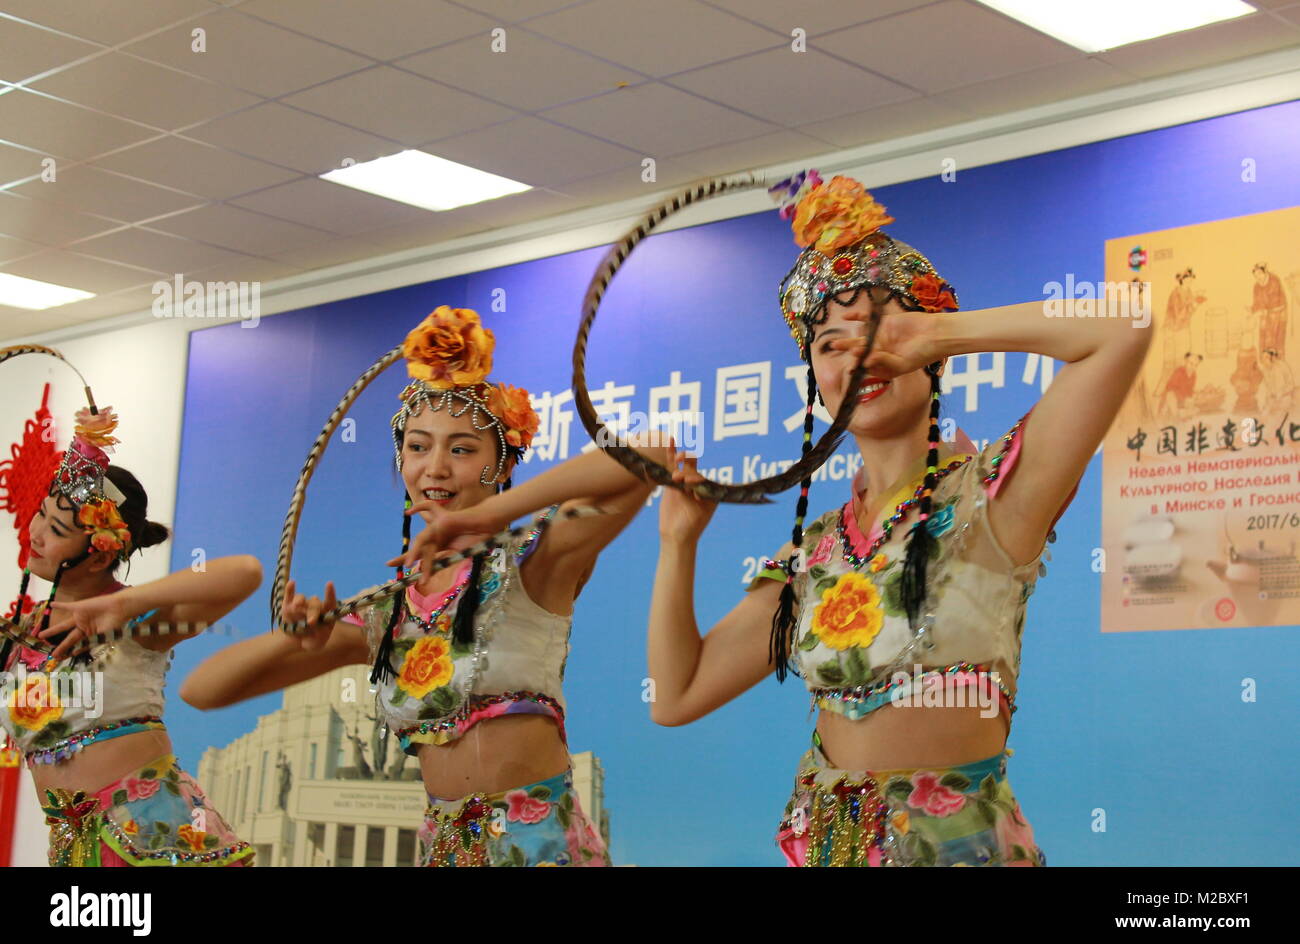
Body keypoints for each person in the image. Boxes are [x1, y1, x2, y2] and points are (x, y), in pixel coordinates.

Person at [646, 172, 1153, 866]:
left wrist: (943, 331)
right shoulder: (816, 554)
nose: (857, 353)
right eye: (828, 343)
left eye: (880, 328)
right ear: (816, 381)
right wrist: (678, 543)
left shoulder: (994, 497)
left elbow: (1124, 328)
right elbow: (675, 695)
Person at [182, 307, 664, 866]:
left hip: (542, 849)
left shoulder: (535, 561)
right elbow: (203, 690)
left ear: (502, 463)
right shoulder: (387, 614)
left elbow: (649, 455)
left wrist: (491, 518)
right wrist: (301, 640)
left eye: (461, 449)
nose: (434, 467)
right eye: (417, 446)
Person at [0, 407, 260, 866]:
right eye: (40, 515)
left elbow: (244, 572)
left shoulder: (141, 628)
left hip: (153, 840)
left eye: (56, 529)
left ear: (99, 556)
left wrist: (122, 605)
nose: (35, 533)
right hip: (74, 847)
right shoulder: (20, 631)